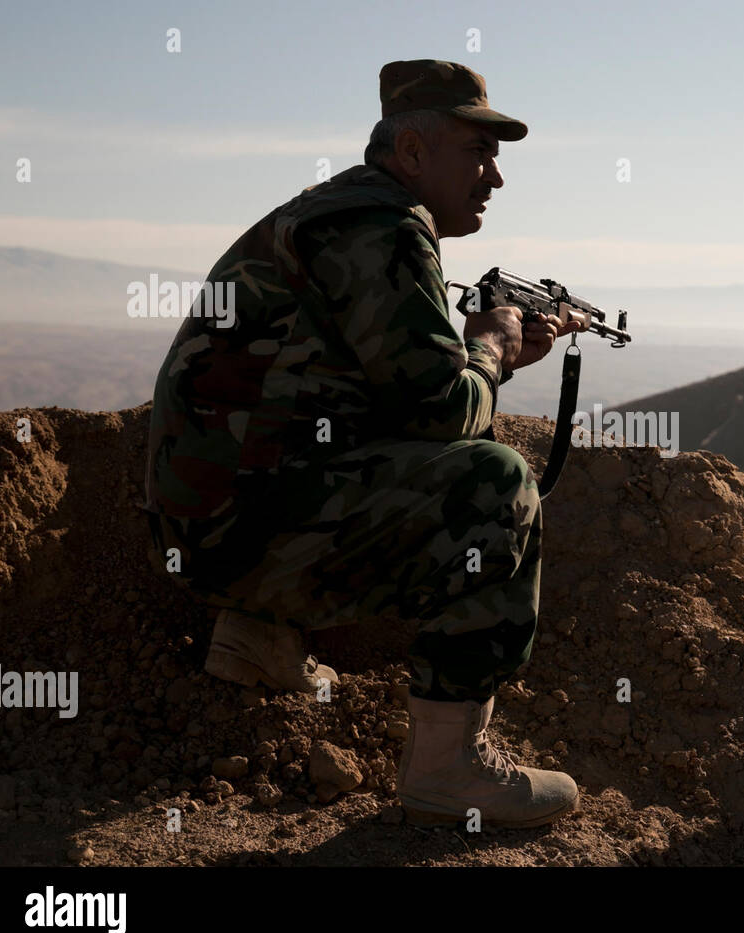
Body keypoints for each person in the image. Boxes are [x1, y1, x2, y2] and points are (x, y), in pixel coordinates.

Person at [141, 59, 580, 828]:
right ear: (412, 153)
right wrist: (493, 349)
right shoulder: (383, 225)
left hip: (208, 527)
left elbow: (369, 398)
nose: (496, 177)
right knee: (496, 483)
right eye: (478, 152)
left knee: (361, 442)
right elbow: (446, 414)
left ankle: (258, 639)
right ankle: (449, 769)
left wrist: (486, 349)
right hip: (241, 535)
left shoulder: (336, 212)